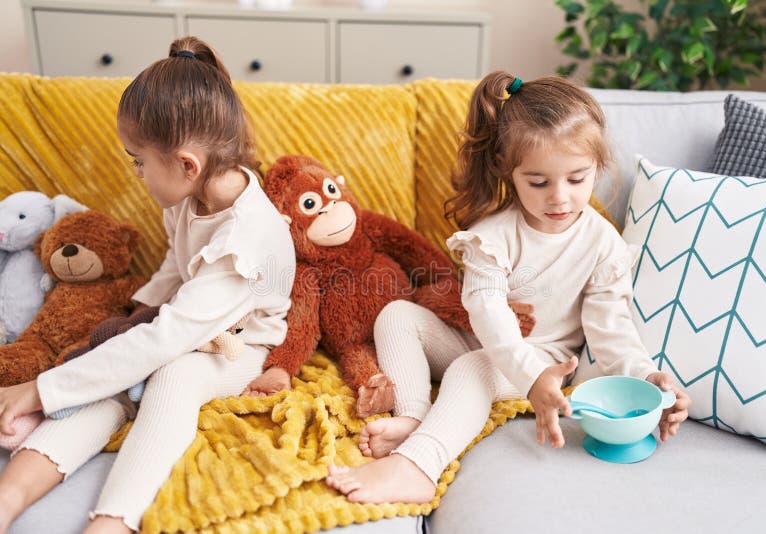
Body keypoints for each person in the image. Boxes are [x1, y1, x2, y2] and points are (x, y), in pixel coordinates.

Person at [325, 72, 691, 504]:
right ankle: (414, 417)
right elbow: (487, 310)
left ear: (598, 167)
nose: (560, 197)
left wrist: (646, 377)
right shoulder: (491, 235)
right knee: (396, 315)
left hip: (544, 361)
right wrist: (522, 373)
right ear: (506, 168)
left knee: (473, 369)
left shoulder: (602, 243)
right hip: (478, 341)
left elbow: (610, 326)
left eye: (577, 179)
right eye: (539, 182)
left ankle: (420, 464)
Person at [0, 36, 295, 534]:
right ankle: (12, 493)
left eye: (137, 160)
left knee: (172, 376)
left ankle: (115, 520)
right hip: (185, 321)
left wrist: (39, 390)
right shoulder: (191, 194)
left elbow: (165, 341)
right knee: (108, 369)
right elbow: (177, 268)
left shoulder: (246, 240)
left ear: (186, 164)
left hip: (242, 347)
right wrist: (135, 311)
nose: (136, 172)